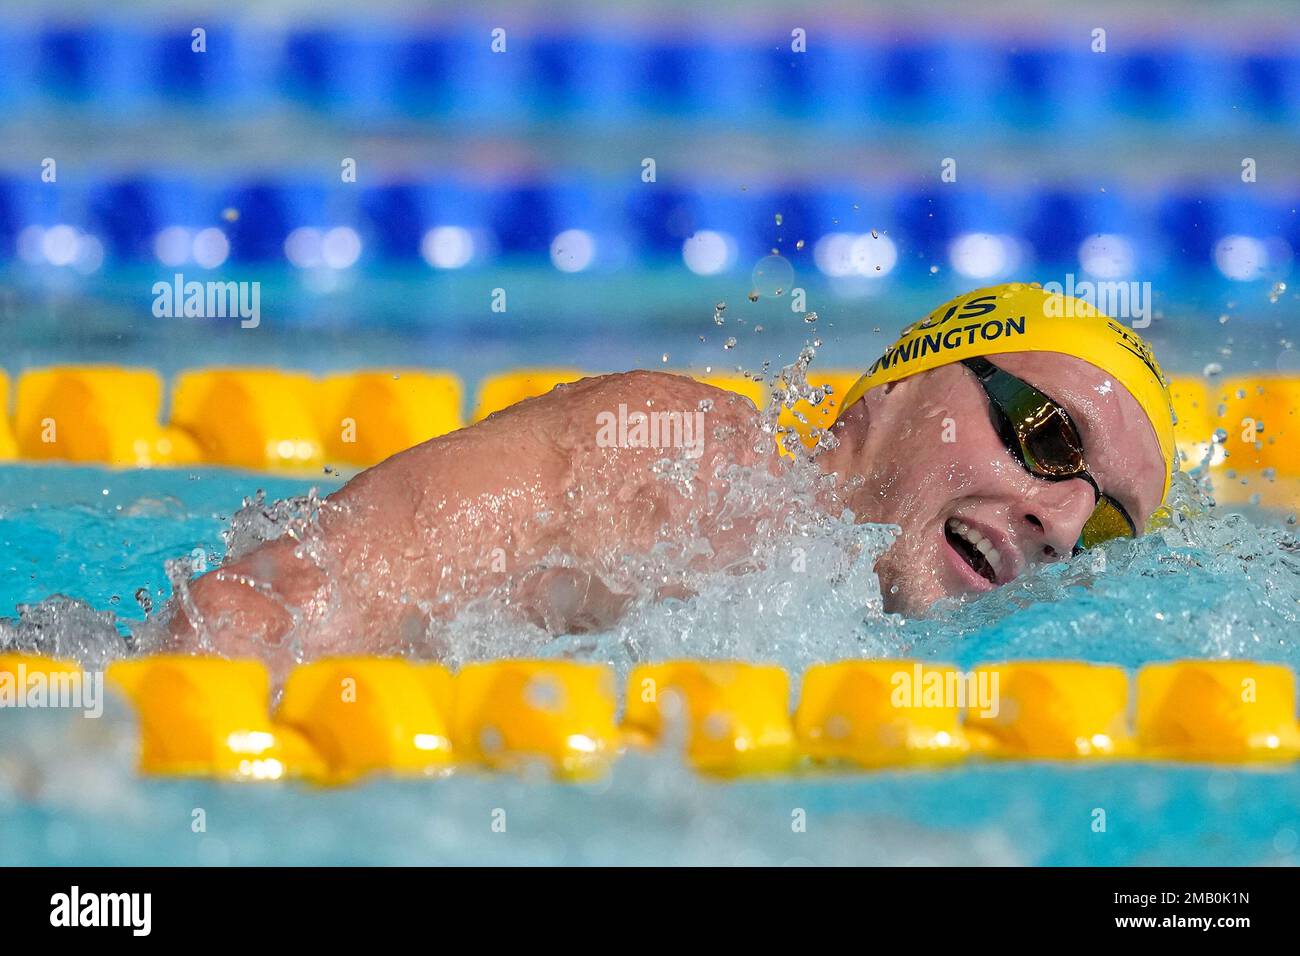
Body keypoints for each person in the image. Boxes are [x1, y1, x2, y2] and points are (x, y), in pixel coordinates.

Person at [167, 282, 1175, 672]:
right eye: (1045, 436)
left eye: (1105, 528)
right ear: (898, 386)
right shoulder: (679, 466)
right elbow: (269, 609)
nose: (1058, 518)